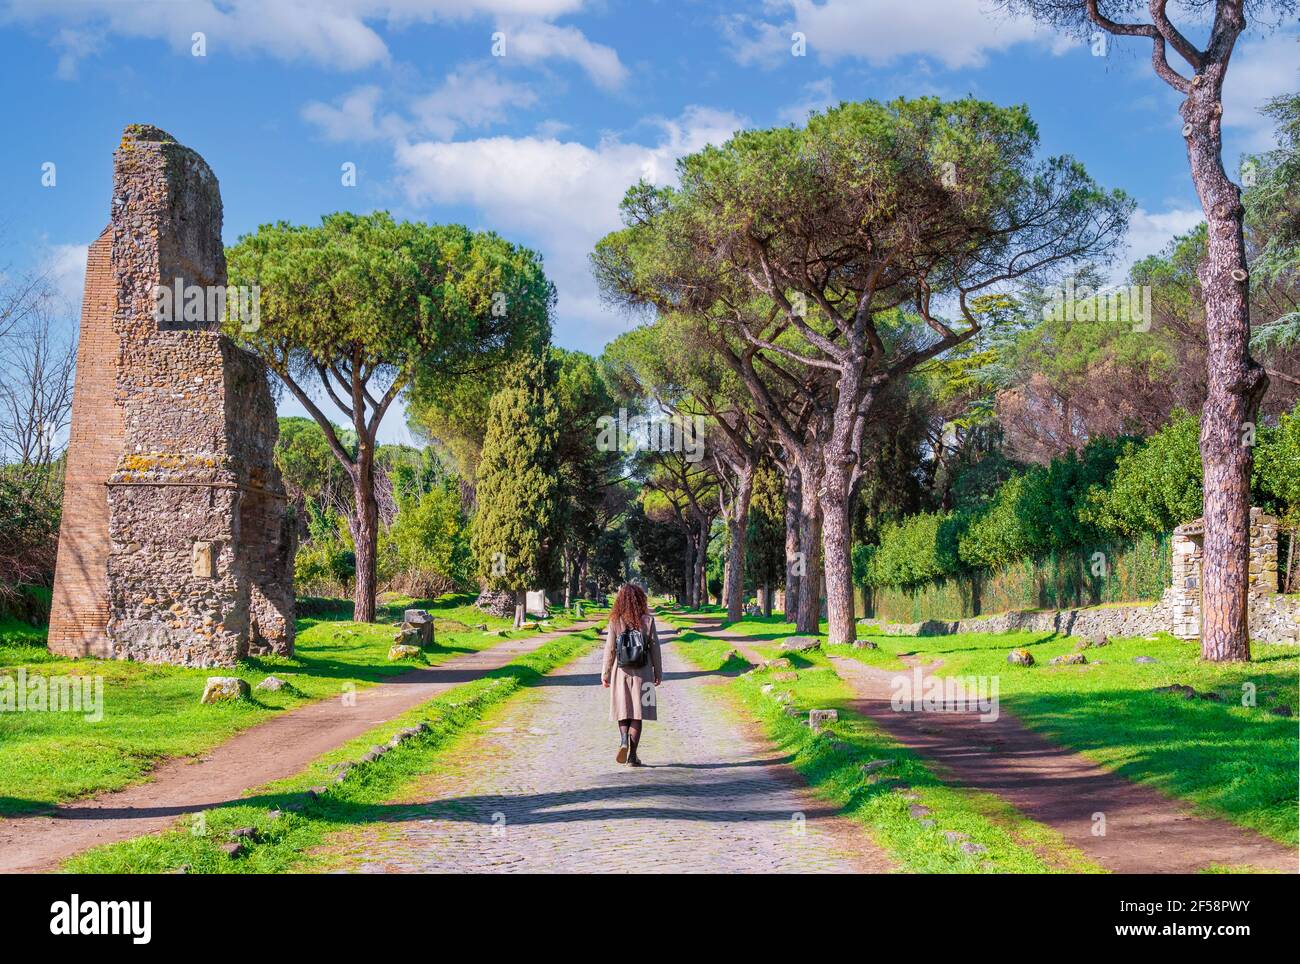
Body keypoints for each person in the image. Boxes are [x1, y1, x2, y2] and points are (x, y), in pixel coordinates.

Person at [601, 583, 662, 767]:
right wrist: (658, 673)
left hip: (621, 673)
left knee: (623, 710)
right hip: (643, 674)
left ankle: (623, 741)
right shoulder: (648, 621)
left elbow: (610, 649)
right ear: (640, 600)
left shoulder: (614, 621)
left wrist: (606, 673)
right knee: (638, 714)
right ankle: (633, 757)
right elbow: (656, 650)